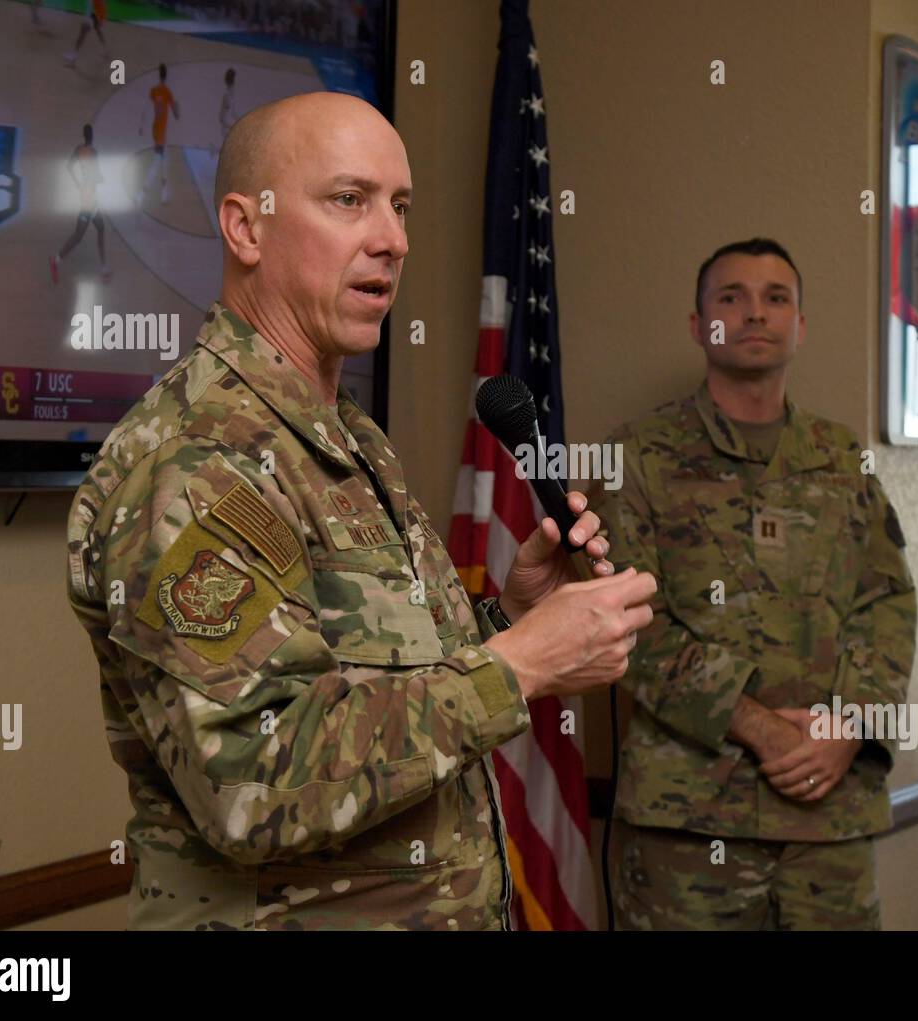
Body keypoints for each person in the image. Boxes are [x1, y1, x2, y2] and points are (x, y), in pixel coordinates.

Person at [65, 91, 656, 931]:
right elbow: (253, 778)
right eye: (349, 200)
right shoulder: (195, 458)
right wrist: (520, 663)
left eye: (400, 206)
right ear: (245, 228)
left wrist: (506, 617)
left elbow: (372, 681)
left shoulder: (347, 437)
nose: (393, 238)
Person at [593, 237, 917, 930]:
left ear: (800, 325)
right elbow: (627, 622)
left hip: (829, 818)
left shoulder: (840, 456)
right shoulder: (636, 456)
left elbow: (886, 603)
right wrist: (764, 729)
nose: (754, 313)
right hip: (688, 823)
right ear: (697, 324)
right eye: (731, 297)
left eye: (777, 298)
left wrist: (852, 724)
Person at [49, 123, 109, 284]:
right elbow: (97, 176)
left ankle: (104, 269)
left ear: (84, 136)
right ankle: (56, 261)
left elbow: (69, 166)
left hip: (88, 197)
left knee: (100, 228)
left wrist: (77, 182)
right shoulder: (94, 153)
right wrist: (101, 179)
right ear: (92, 136)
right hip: (88, 200)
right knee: (78, 236)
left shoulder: (78, 150)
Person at [139, 62, 177, 204]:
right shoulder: (167, 92)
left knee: (164, 161)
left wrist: (142, 126)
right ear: (166, 76)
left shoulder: (154, 91)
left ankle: (164, 192)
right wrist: (176, 107)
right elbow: (176, 113)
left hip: (156, 129)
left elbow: (146, 109)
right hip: (162, 131)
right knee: (157, 161)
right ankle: (143, 191)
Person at [62, 0, 108, 69]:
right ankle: (105, 50)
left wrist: (89, 18)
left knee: (81, 35)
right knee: (98, 31)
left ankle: (72, 59)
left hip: (93, 15)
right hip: (96, 15)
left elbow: (99, 4)